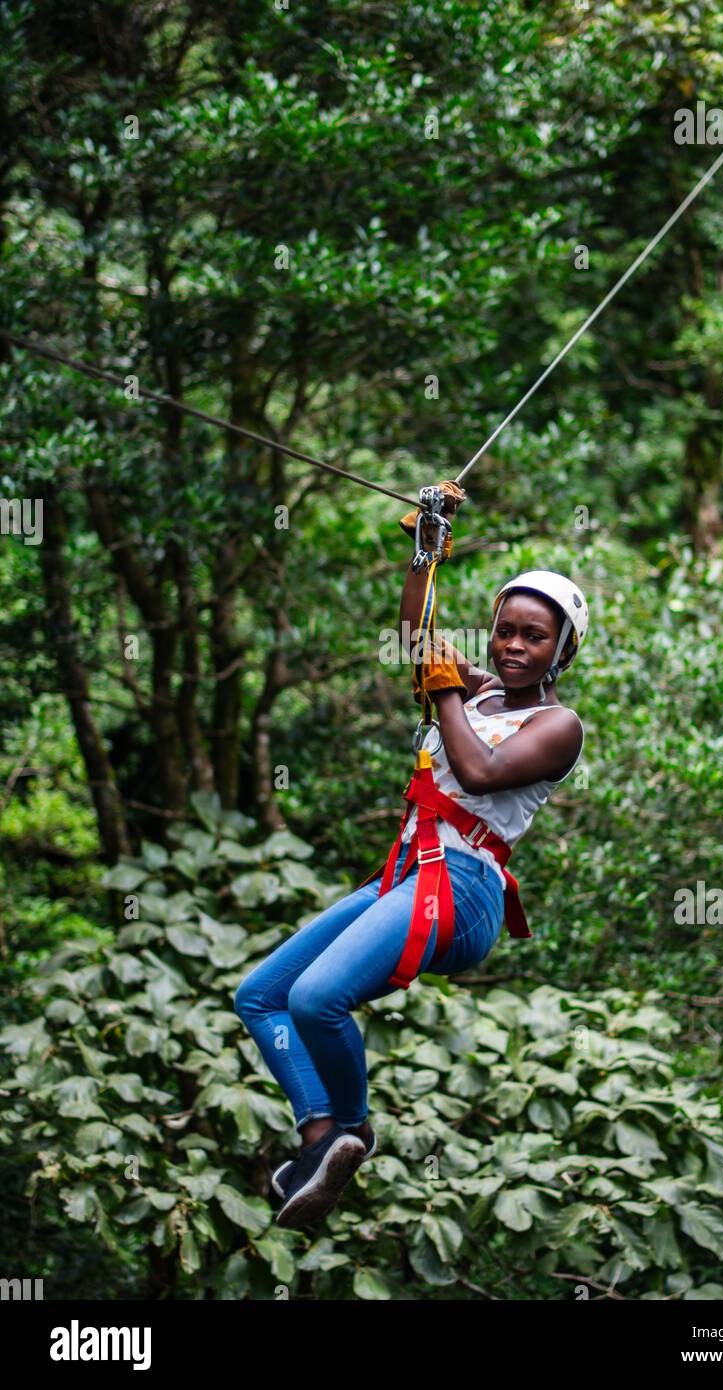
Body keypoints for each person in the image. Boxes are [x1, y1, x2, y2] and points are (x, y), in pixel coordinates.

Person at [233, 482, 587, 1230]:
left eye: (534, 637)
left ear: (563, 650)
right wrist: (426, 549)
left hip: (463, 892)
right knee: (262, 996)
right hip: (409, 873)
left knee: (315, 998)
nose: (514, 646)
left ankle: (353, 1129)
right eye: (506, 631)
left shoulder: (558, 725)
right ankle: (320, 1135)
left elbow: (484, 773)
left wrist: (449, 693)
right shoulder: (479, 693)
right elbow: (416, 637)